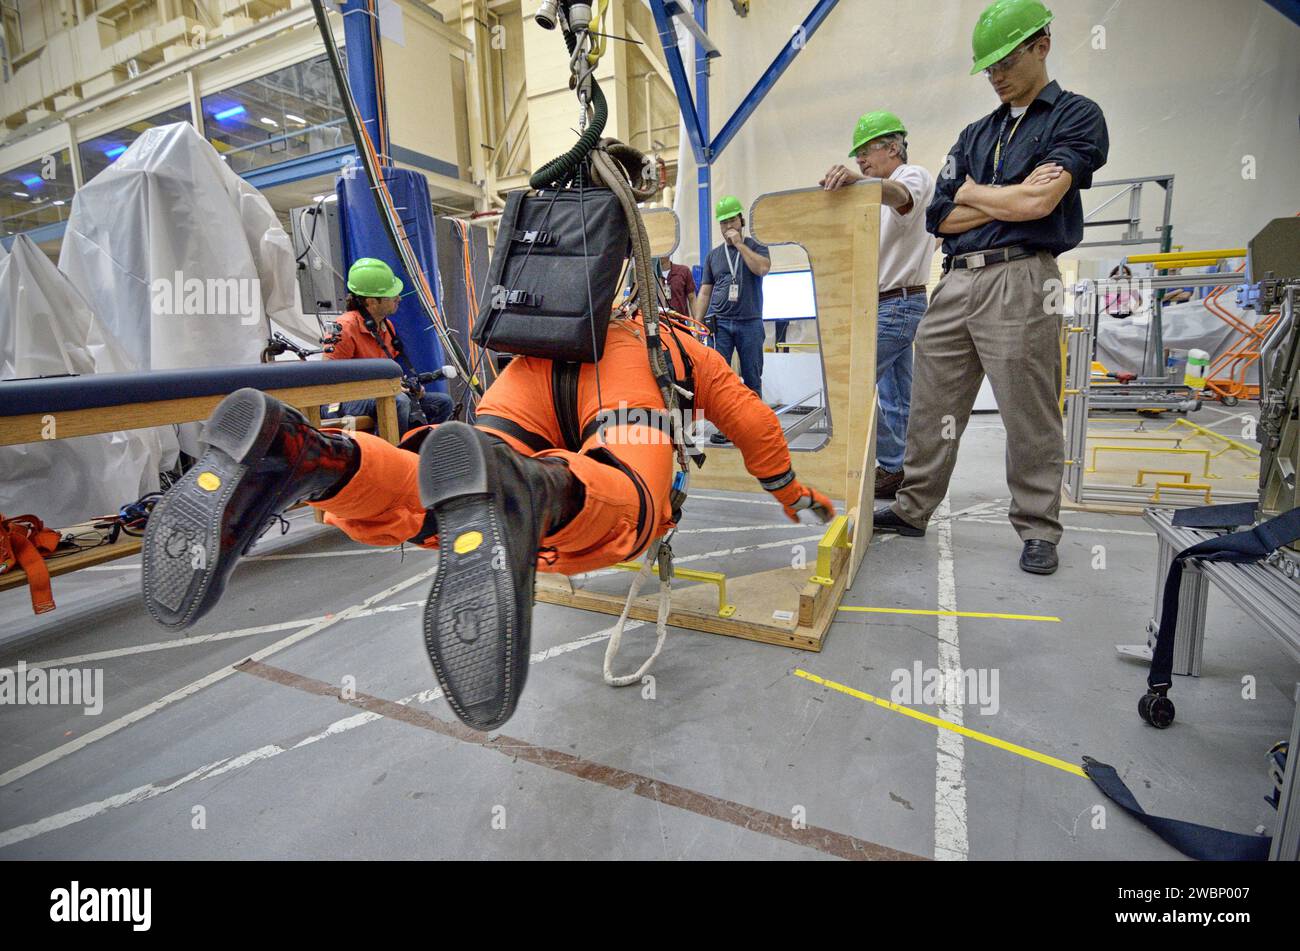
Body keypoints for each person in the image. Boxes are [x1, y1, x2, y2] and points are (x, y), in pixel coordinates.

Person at [140, 310, 834, 732]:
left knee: (446, 502)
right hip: (619, 376)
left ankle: (312, 459)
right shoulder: (671, 341)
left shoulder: (542, 330)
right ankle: (531, 490)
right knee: (631, 507)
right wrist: (787, 488)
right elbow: (747, 416)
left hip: (524, 376)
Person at [872, 0, 1108, 576]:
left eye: (1007, 59)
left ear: (1042, 45)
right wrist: (997, 193)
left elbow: (1039, 202)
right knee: (932, 406)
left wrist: (975, 191)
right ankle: (912, 507)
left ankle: (1037, 527)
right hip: (954, 280)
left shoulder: (1076, 116)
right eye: (989, 67)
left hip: (1022, 276)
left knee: (1027, 411)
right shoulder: (976, 132)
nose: (997, 74)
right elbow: (939, 218)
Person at [820, 110, 937, 499]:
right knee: (897, 397)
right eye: (857, 157)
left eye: (866, 152)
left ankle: (890, 463)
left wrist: (863, 181)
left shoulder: (910, 176)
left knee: (853, 384)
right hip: (886, 304)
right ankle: (902, 468)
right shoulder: (875, 194)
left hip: (897, 305)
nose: (861, 161)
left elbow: (902, 198)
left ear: (893, 147)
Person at [327, 258, 453, 434]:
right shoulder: (345, 328)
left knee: (442, 403)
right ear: (371, 302)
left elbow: (388, 373)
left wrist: (408, 386)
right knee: (398, 401)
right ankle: (392, 455)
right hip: (345, 400)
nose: (398, 298)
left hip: (383, 393)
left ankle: (420, 453)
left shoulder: (386, 327)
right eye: (391, 295)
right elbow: (332, 381)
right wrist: (387, 389)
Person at [695, 195, 772, 444]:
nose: (727, 226)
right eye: (722, 222)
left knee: (751, 375)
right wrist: (697, 325)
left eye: (731, 220)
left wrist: (739, 244)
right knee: (721, 379)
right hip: (720, 324)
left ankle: (755, 427)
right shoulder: (713, 256)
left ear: (741, 219)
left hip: (750, 321)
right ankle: (727, 428)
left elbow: (761, 268)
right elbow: (705, 291)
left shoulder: (756, 246)